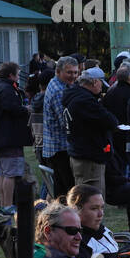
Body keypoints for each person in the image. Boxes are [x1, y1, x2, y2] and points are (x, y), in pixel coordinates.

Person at [0, 61, 35, 208]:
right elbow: (12, 108)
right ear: (11, 75)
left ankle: (4, 204)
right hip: (9, 138)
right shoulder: (7, 90)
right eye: (17, 74)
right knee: (10, 174)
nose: (19, 77)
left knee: (2, 173)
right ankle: (7, 206)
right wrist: (26, 109)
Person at [63, 67, 118, 197]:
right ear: (94, 82)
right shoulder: (85, 101)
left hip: (78, 153)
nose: (101, 88)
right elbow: (110, 120)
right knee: (91, 198)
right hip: (89, 156)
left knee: (81, 196)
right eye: (100, 83)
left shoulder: (73, 96)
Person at [41, 56, 80, 199]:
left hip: (55, 146)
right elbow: (65, 122)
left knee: (60, 190)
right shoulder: (59, 91)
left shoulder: (58, 83)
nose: (73, 76)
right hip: (60, 147)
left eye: (76, 72)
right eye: (69, 73)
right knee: (67, 191)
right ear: (58, 71)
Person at [104, 64, 130, 174]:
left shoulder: (110, 91)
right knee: (129, 163)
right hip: (128, 134)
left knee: (119, 162)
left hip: (114, 133)